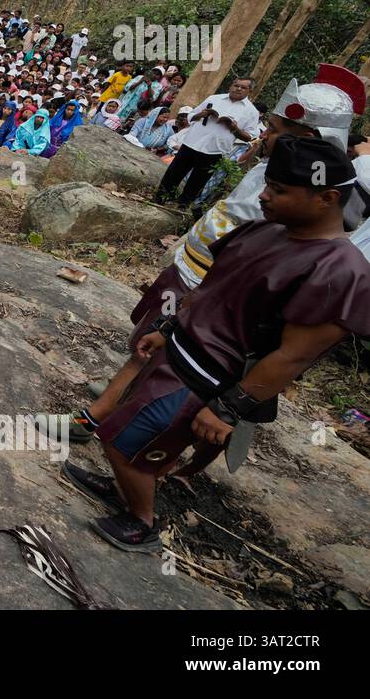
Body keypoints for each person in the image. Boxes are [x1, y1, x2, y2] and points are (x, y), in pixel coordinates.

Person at [64, 136, 370, 552]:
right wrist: (168, 328)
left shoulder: (340, 271)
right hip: (178, 352)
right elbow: (211, 287)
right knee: (128, 435)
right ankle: (125, 489)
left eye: (279, 190)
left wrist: (228, 409)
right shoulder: (266, 228)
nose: (263, 195)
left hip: (206, 377)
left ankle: (142, 521)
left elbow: (295, 354)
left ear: (327, 198)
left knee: (125, 443)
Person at [155, 77, 259, 206]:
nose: (238, 88)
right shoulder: (214, 99)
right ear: (231, 85)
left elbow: (250, 137)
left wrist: (235, 128)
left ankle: (181, 206)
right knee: (174, 173)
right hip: (192, 142)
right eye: (236, 85)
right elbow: (191, 115)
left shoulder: (251, 111)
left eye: (243, 87)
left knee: (197, 181)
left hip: (214, 150)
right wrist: (201, 114)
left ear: (250, 91)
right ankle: (159, 198)